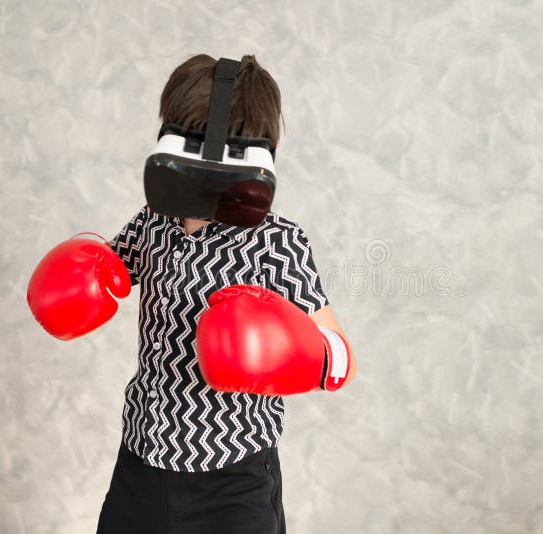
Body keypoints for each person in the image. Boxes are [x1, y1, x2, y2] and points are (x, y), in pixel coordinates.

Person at [88, 54, 357, 533]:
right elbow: (109, 268)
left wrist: (282, 348)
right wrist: (79, 275)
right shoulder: (154, 222)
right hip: (142, 458)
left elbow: (339, 360)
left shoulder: (276, 241)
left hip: (233, 476)